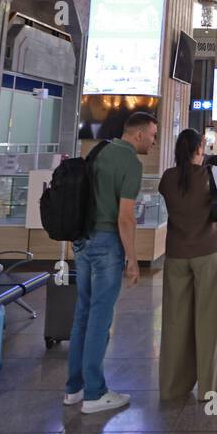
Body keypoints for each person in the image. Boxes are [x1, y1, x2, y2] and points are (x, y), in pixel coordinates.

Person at [65, 110, 158, 415]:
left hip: (83, 241)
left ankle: (74, 388)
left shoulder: (99, 151)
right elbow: (126, 218)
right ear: (139, 134)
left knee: (83, 313)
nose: (154, 142)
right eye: (153, 136)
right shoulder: (130, 162)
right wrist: (133, 259)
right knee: (100, 318)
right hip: (106, 244)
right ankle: (95, 393)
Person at [158, 127, 217, 401]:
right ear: (199, 149)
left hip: (176, 255)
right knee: (209, 319)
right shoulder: (211, 174)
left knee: (175, 321)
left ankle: (173, 386)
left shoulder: (168, 178)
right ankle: (210, 386)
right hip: (211, 252)